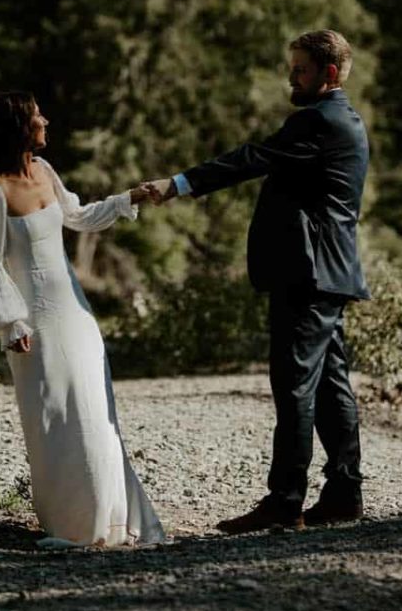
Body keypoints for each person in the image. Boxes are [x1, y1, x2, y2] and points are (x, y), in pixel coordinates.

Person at [139, 29, 369, 534]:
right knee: (330, 387)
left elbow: (252, 157)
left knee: (294, 389)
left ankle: (285, 502)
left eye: (301, 69)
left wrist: (178, 184)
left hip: (308, 274)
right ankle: (343, 494)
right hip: (327, 272)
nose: (292, 76)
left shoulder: (317, 120)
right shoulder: (343, 119)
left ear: (328, 74)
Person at [0, 91, 164, 549]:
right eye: (37, 114)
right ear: (19, 125)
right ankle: (75, 525)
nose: (46, 119)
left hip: (74, 314)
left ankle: (114, 519)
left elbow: (77, 217)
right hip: (32, 323)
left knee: (96, 411)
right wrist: (10, 324)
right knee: (56, 417)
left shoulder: (45, 172)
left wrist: (126, 199)